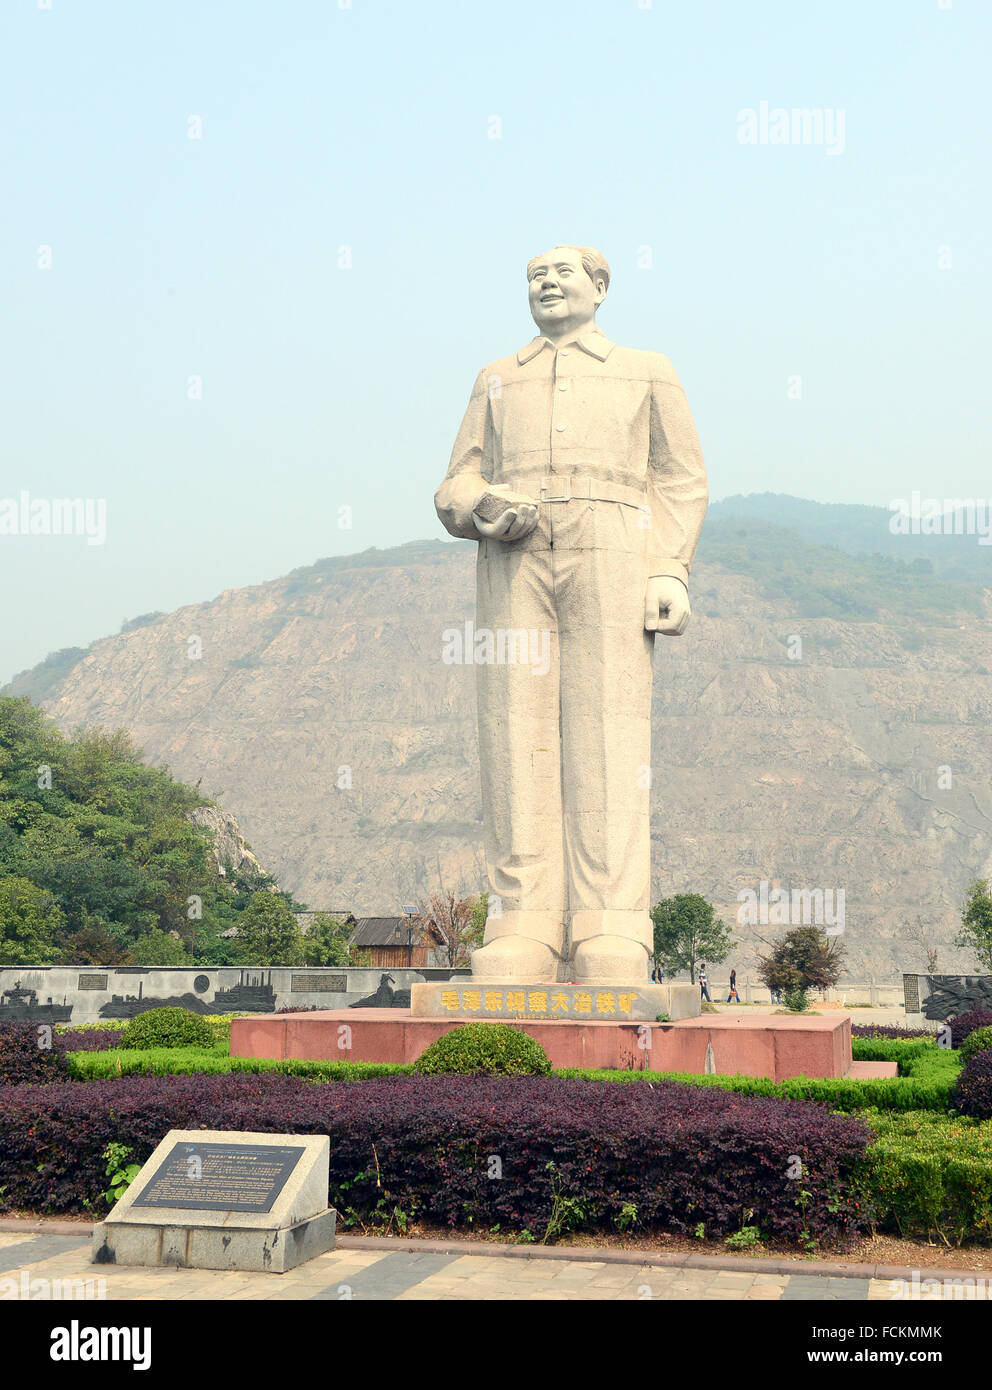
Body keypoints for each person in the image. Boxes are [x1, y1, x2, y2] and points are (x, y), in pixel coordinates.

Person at [436, 245, 708, 985]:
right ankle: (523, 924)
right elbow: (458, 476)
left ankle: (611, 928)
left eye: (561, 273)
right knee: (514, 732)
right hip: (514, 552)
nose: (546, 284)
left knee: (608, 732)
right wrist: (481, 506)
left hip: (614, 545)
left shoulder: (646, 368)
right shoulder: (497, 379)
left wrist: (669, 568)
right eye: (533, 276)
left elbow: (680, 477)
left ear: (600, 287)